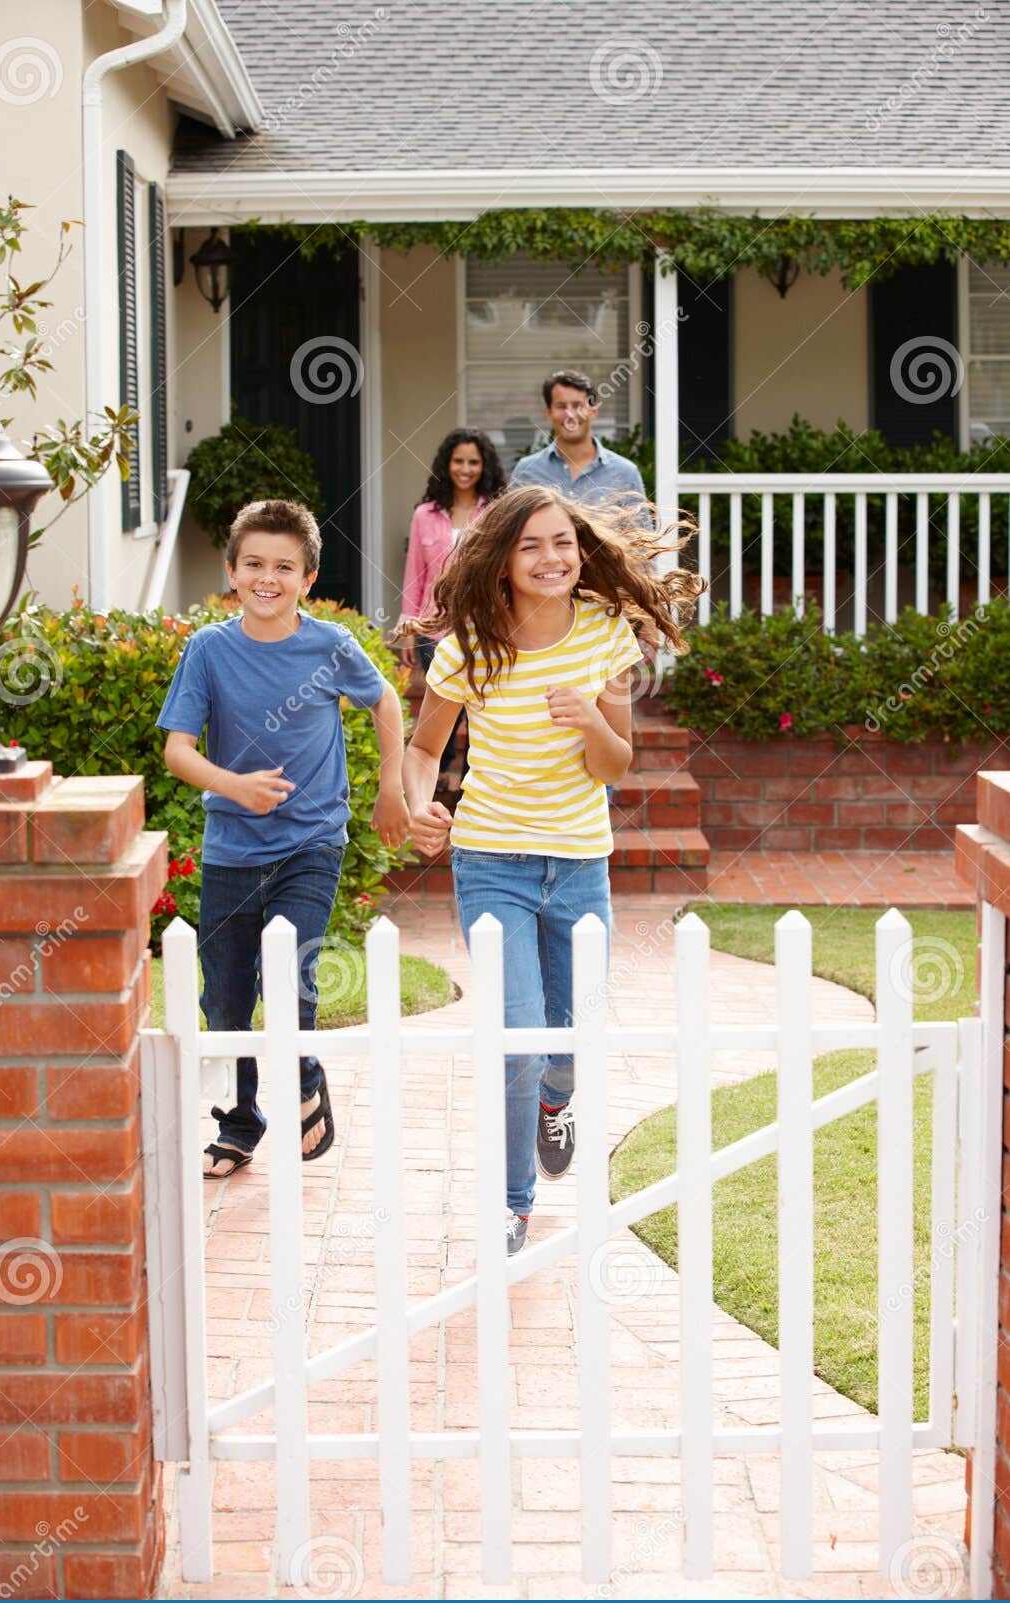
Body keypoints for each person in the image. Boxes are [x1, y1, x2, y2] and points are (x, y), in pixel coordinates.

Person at [399, 484, 701, 1255]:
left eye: (562, 542)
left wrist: (591, 719)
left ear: (580, 552)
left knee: (571, 1041)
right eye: (530, 544)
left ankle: (555, 1101)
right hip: (491, 861)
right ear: (501, 561)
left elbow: (616, 766)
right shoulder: (472, 644)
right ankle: (511, 1203)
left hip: (577, 866)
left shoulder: (603, 632)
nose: (550, 557)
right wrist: (418, 803)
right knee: (518, 1040)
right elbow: (423, 748)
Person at [158, 498, 409, 1180]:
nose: (267, 577)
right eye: (254, 564)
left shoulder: (329, 647)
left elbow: (384, 699)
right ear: (232, 571)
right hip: (231, 848)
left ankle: (300, 1074)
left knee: (292, 974)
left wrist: (391, 785)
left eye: (284, 567)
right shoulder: (209, 649)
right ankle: (240, 1122)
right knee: (226, 999)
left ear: (307, 577)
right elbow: (178, 750)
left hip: (310, 841)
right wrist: (232, 786)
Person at [399, 429, 505, 773]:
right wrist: (408, 622)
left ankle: (474, 778)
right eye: (458, 461)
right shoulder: (424, 515)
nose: (465, 468)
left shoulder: (496, 512)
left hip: (485, 624)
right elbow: (414, 571)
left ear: (484, 466)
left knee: (482, 704)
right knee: (444, 705)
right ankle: (440, 772)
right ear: (447, 464)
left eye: (473, 462)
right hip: (434, 627)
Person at [510, 368, 651, 524]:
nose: (570, 414)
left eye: (578, 405)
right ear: (549, 412)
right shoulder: (526, 471)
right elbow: (510, 535)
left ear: (593, 410)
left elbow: (641, 542)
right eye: (561, 406)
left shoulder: (625, 473)